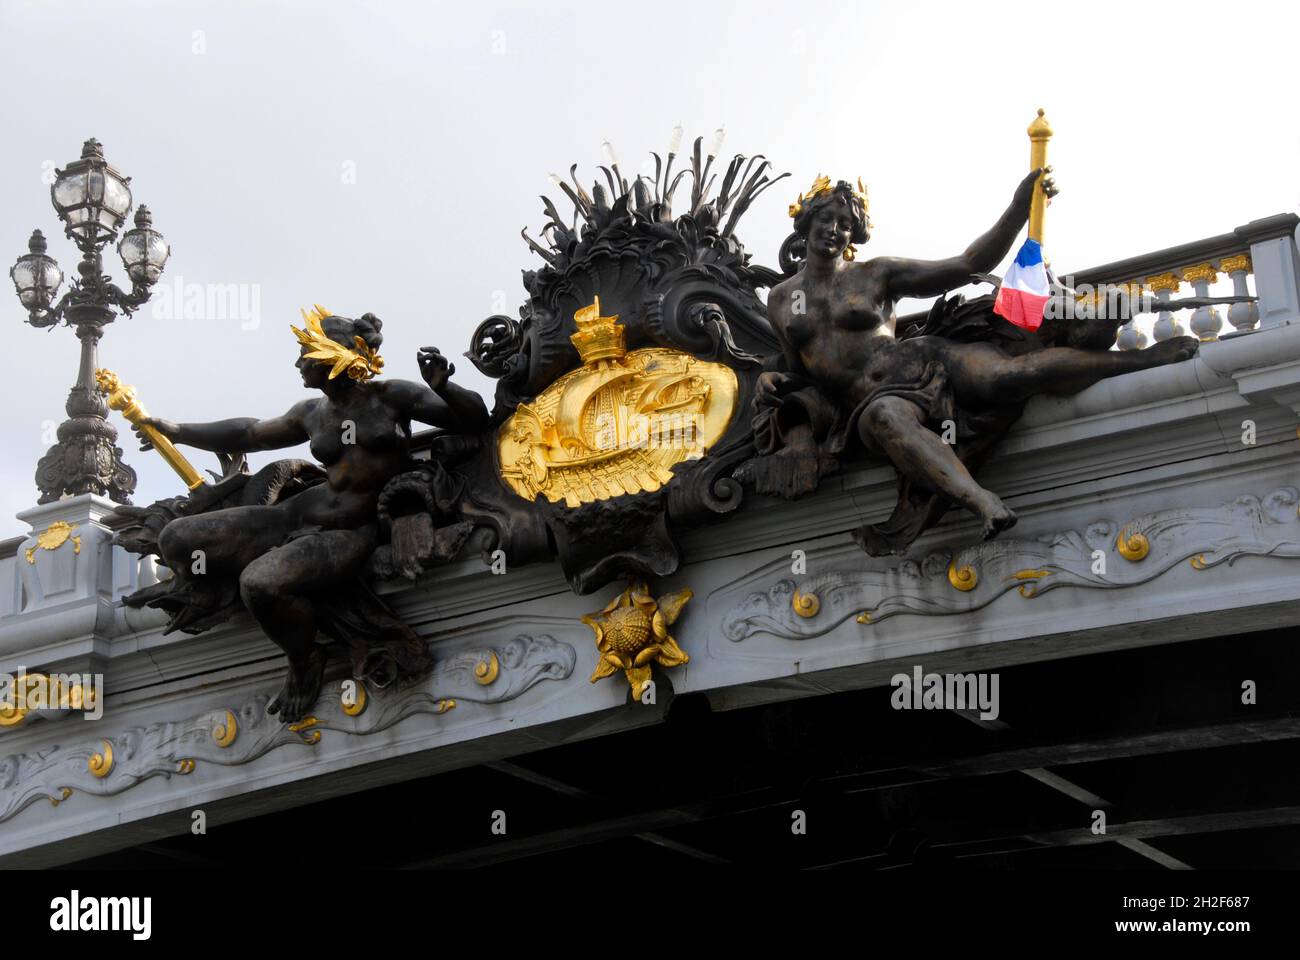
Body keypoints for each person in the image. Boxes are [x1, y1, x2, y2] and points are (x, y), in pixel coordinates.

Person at [758, 172, 1199, 551]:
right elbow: (801, 370)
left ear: (854, 234)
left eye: (845, 223)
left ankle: (1141, 360)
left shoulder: (875, 274)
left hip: (919, 360)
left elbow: (969, 263)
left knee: (1013, 375)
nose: (834, 229)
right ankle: (982, 502)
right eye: (826, 218)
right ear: (805, 222)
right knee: (887, 418)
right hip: (872, 402)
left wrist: (1017, 208)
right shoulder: (780, 301)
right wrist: (772, 378)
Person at [133, 307, 489, 719]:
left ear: (330, 357)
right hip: (296, 514)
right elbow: (250, 433)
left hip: (352, 529)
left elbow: (475, 419)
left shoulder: (391, 398)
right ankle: (249, 587)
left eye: (305, 355)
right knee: (175, 538)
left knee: (261, 584)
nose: (298, 364)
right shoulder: (311, 413)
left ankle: (304, 660)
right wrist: (174, 430)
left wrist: (446, 388)